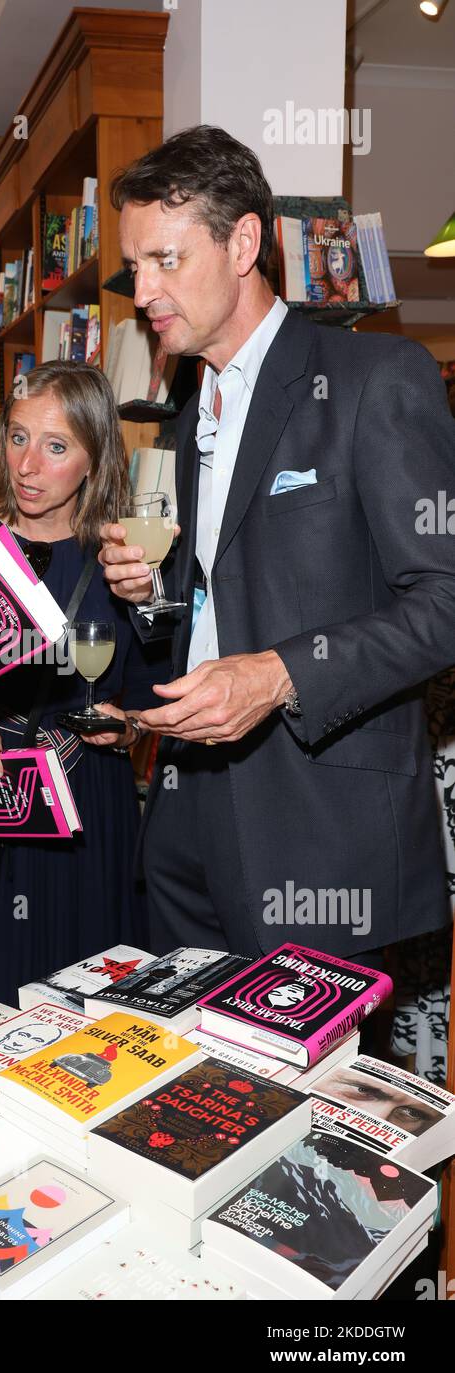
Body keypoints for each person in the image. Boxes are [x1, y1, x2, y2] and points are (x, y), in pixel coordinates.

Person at [98, 125, 455, 965]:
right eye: (135, 265)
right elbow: (209, 612)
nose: (142, 290)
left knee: (310, 1096)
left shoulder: (376, 379)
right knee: (198, 1092)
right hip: (186, 821)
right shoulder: (190, 420)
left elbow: (446, 599)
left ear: (244, 242)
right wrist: (150, 590)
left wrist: (280, 674)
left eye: (165, 260)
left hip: (321, 834)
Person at [0, 362, 167, 1008]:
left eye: (56, 447)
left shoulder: (122, 561)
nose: (28, 465)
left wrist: (132, 727)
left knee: (91, 1019)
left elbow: (152, 693)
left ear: (93, 459)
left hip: (90, 809)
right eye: (18, 437)